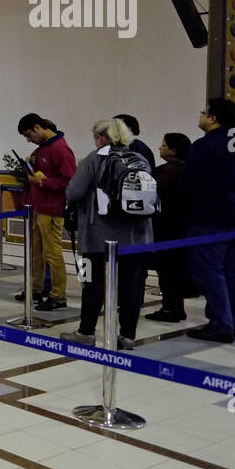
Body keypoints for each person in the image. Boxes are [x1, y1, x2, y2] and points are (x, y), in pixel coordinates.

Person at [64, 118, 153, 349]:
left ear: (101, 137)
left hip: (96, 236)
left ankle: (85, 332)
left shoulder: (94, 159)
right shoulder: (141, 159)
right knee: (131, 287)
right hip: (137, 236)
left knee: (91, 284)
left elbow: (74, 192)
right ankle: (127, 335)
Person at [183, 97, 235, 342]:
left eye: (204, 112)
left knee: (210, 269)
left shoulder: (205, 145)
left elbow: (191, 180)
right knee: (232, 268)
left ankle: (220, 324)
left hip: (211, 214)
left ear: (213, 118)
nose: (201, 116)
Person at [17, 113, 78, 311]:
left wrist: (43, 181)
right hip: (37, 207)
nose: (28, 139)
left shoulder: (60, 149)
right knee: (36, 252)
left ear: (37, 128)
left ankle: (58, 296)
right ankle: (35, 288)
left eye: (28, 135)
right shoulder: (43, 148)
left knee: (53, 254)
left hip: (51, 210)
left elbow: (70, 181)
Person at [147, 132, 192, 322]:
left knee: (166, 269)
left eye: (164, 145)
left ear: (173, 150)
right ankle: (176, 307)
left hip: (166, 226)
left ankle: (169, 308)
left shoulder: (166, 172)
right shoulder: (189, 170)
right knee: (175, 268)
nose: (160, 148)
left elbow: (151, 194)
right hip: (183, 225)